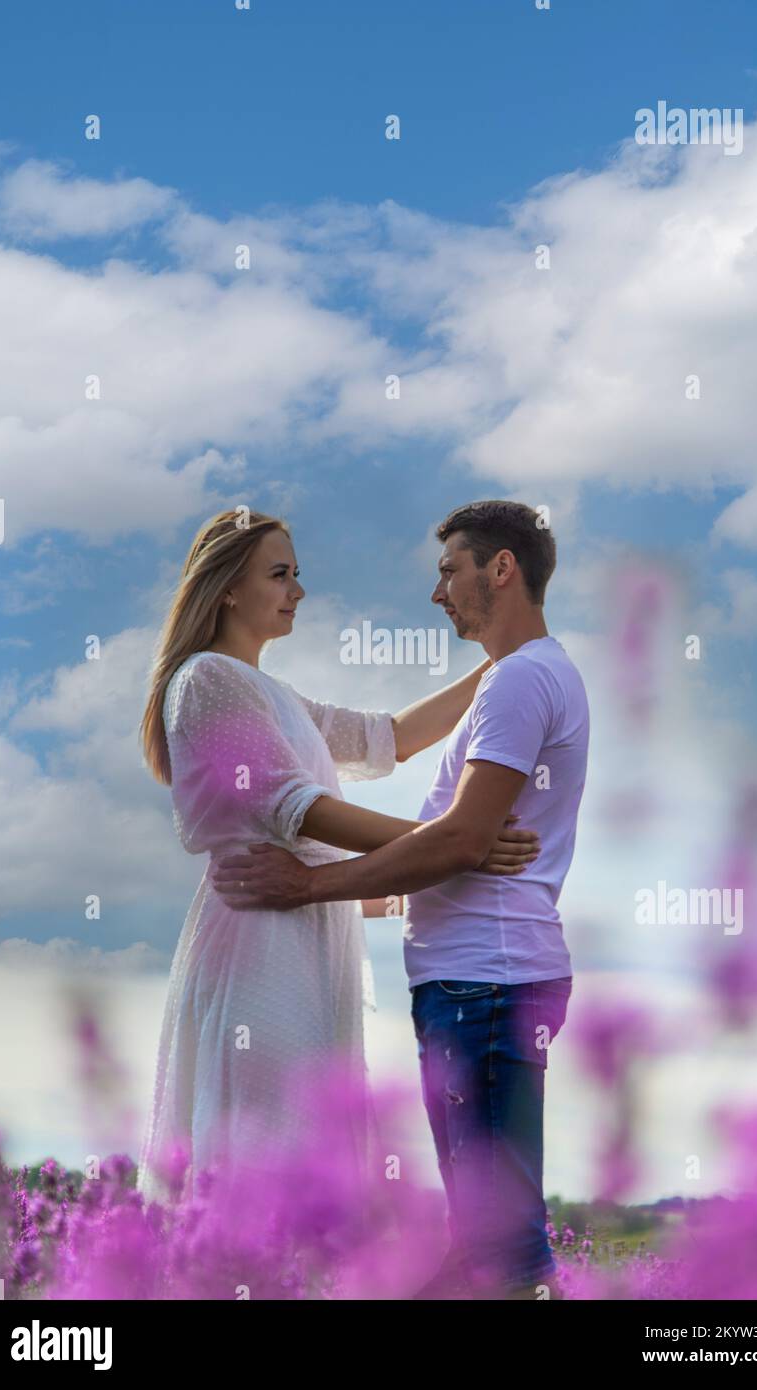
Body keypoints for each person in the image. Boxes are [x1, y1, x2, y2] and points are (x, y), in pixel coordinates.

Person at [214, 500, 589, 1300]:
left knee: (502, 1252)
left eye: (449, 570)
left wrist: (307, 883)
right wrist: (327, 906)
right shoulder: (520, 675)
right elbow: (453, 853)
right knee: (477, 1247)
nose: (436, 592)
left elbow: (457, 843)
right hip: (475, 980)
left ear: (502, 568)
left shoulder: (524, 682)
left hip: (484, 984)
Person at [136, 507, 539, 1208]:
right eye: (280, 573)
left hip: (306, 931)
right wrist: (452, 842)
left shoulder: (271, 694)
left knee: (306, 1157)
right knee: (266, 1153)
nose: (299, 588)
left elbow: (392, 736)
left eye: (297, 573)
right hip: (261, 946)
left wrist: (512, 656)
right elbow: (299, 809)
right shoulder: (207, 680)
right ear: (228, 586)